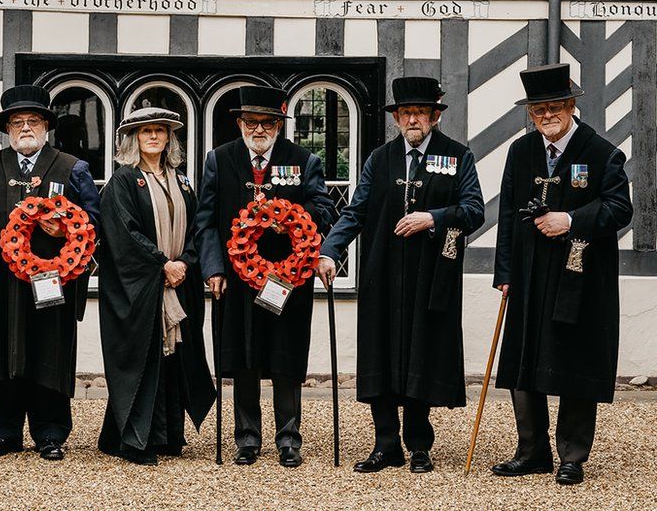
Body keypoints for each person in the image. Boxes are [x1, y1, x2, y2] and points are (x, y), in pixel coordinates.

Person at [317, 76, 484, 474]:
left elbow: (474, 210)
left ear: (434, 117)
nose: (413, 120)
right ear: (396, 118)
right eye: (406, 113)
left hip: (431, 275)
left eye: (420, 113)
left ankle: (419, 445)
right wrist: (329, 250)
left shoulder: (457, 156)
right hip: (383, 273)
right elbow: (356, 211)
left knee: (420, 354)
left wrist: (433, 217)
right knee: (382, 353)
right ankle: (386, 445)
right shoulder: (380, 159)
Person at [491, 63, 632, 485]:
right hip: (529, 273)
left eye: (555, 107)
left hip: (580, 275)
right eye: (538, 110)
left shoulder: (602, 152)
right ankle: (531, 451)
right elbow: (507, 214)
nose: (547, 115)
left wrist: (568, 219)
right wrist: (504, 271)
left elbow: (620, 209)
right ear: (530, 114)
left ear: (571, 106)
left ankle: (572, 455)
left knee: (576, 360)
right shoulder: (521, 151)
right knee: (522, 360)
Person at [0, 85, 100, 461]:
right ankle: (3, 433)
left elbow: (94, 222)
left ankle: (50, 432)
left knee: (48, 349)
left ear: (46, 126)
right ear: (7, 128)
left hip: (53, 281)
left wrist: (65, 229)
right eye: (17, 121)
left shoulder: (73, 168)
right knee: (1, 351)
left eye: (33, 120)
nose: (25, 127)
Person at [194, 85, 335, 467]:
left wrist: (289, 217)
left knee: (285, 355)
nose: (259, 129)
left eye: (267, 123)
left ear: (279, 125)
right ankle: (247, 438)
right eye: (251, 121)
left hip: (289, 278)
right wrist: (213, 268)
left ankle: (289, 439)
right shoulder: (219, 159)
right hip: (238, 279)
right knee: (245, 355)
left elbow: (323, 208)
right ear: (240, 123)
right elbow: (205, 220)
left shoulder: (303, 160)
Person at [96, 108, 215, 466]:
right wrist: (161, 264)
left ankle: (168, 435)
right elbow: (123, 233)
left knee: (174, 359)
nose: (153, 136)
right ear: (134, 138)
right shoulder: (123, 181)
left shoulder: (182, 181)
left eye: (160, 131)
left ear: (168, 138)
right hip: (140, 287)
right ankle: (136, 440)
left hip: (178, 283)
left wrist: (185, 263)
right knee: (144, 361)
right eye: (145, 131)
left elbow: (198, 228)